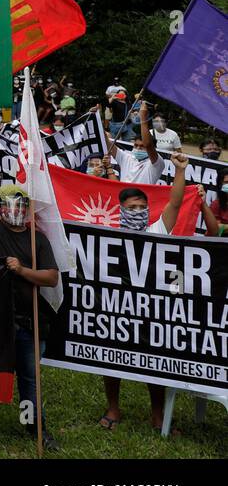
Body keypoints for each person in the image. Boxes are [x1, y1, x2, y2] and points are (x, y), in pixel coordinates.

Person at [0, 160, 60, 450]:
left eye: (21, 204)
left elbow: (52, 278)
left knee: (30, 378)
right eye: (9, 204)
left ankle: (32, 424)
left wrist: (22, 271)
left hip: (30, 320)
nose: (15, 210)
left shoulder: (37, 239)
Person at [97, 153, 192, 431]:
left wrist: (179, 170)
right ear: (122, 209)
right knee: (111, 358)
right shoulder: (107, 236)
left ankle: (158, 415)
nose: (137, 211)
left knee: (155, 361)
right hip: (117, 306)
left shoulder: (157, 230)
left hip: (151, 308)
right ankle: (113, 408)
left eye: (142, 207)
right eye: (132, 207)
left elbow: (175, 202)